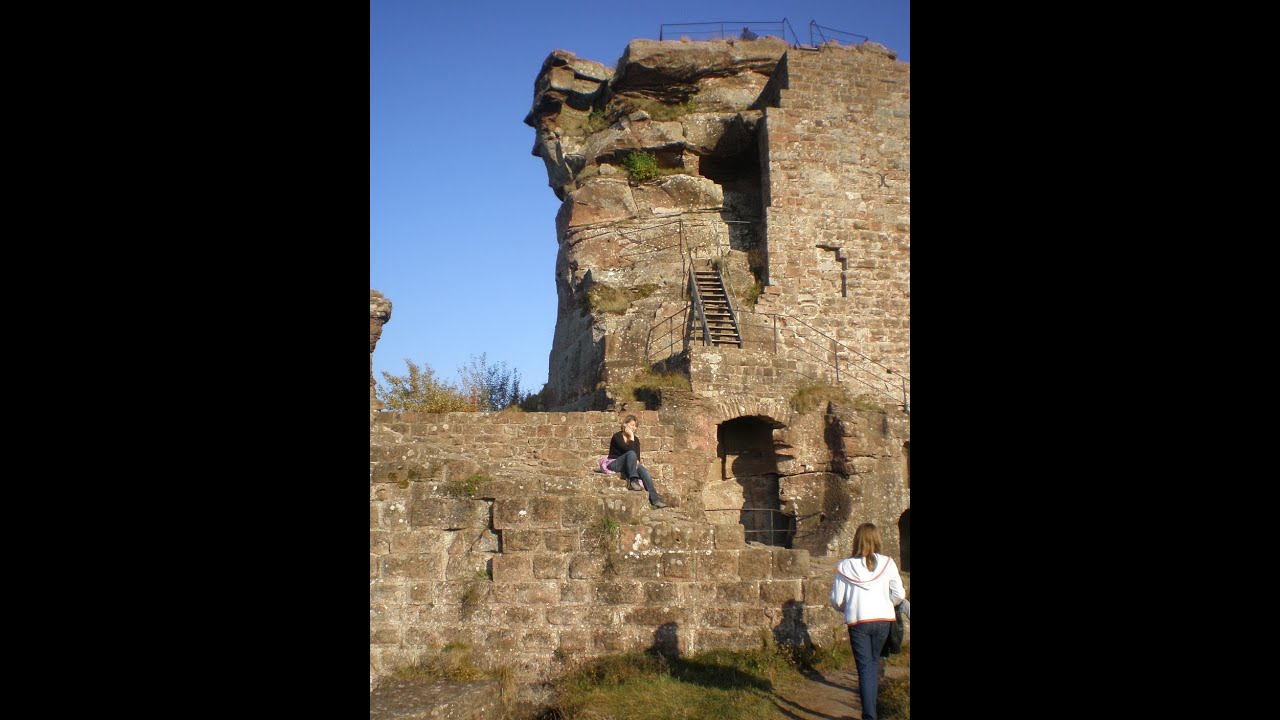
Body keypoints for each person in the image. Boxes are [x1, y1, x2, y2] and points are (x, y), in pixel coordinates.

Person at [828, 523, 907, 720]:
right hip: (883, 620)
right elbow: (899, 594)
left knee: (865, 668)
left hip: (859, 621)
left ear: (856, 540)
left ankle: (870, 715)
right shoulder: (888, 563)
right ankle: (871, 711)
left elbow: (836, 600)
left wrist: (848, 607)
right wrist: (887, 603)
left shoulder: (845, 566)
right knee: (873, 663)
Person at [606, 414, 667, 508]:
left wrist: (632, 438)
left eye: (636, 426)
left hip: (630, 464)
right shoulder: (617, 436)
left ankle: (655, 500)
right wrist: (631, 436)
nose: (634, 428)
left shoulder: (636, 440)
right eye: (632, 425)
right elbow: (627, 451)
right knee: (631, 453)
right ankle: (633, 481)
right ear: (625, 424)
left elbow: (637, 458)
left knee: (644, 471)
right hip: (615, 463)